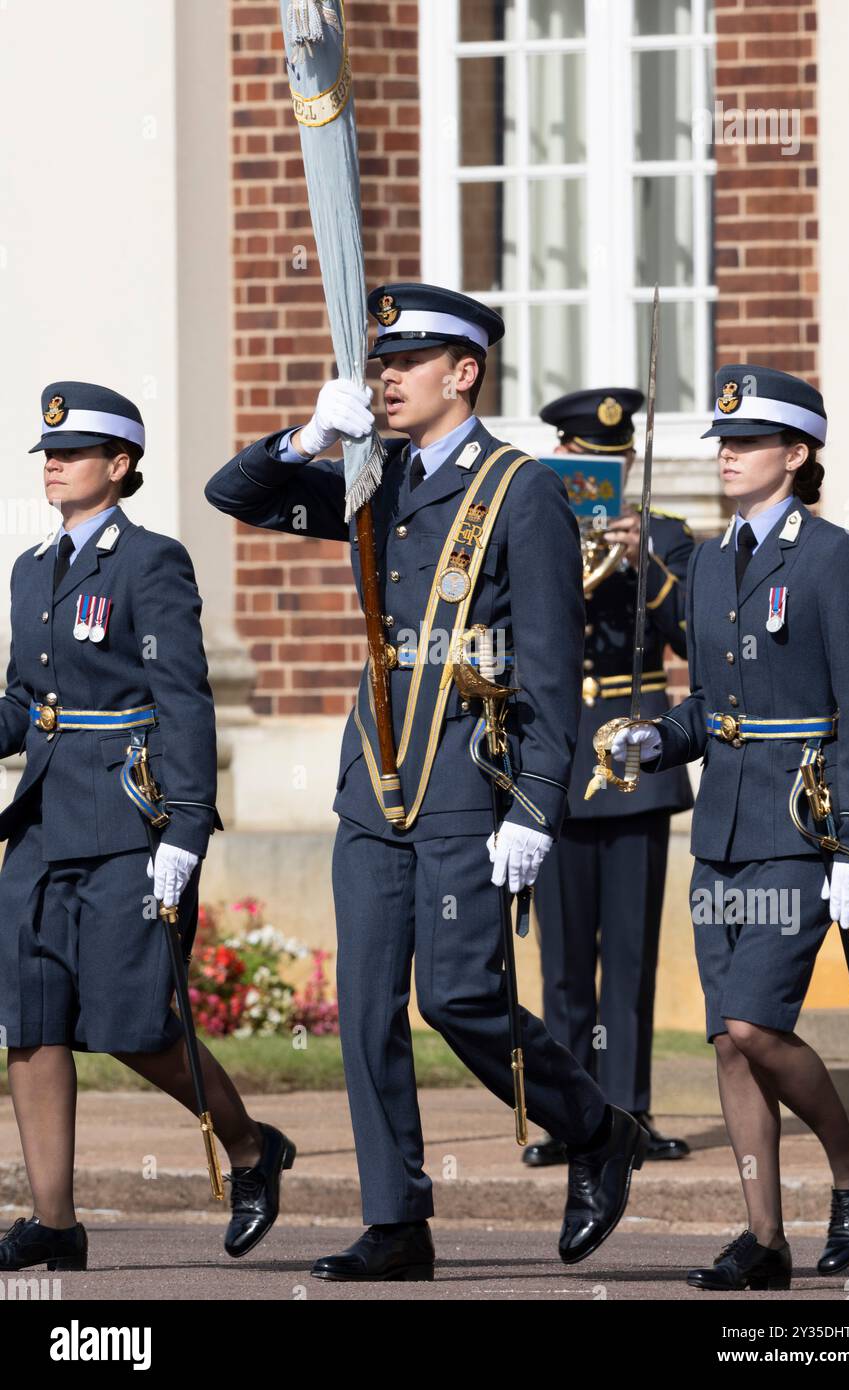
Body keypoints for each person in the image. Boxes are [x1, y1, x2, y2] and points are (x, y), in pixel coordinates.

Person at [205, 283, 649, 1281]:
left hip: (463, 773)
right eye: (380, 364)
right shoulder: (374, 473)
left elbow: (546, 658)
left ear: (463, 372)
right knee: (364, 1008)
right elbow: (232, 495)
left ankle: (592, 1127)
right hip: (373, 778)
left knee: (457, 997)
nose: (386, 379)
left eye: (407, 363)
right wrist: (308, 438)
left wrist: (537, 802)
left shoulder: (518, 489)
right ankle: (395, 1217)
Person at [614, 364, 849, 1290]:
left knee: (756, 1020)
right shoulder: (706, 559)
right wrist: (659, 738)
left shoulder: (831, 557)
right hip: (721, 829)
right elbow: (711, 706)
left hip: (797, 823)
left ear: (797, 454)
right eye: (722, 443)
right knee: (729, 1041)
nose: (727, 456)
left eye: (746, 443)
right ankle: (763, 1239)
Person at [0, 382, 294, 1273]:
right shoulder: (31, 567)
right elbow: (25, 703)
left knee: (133, 1024)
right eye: (48, 450)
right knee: (32, 1019)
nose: (54, 462)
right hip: (46, 819)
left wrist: (187, 829)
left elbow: (184, 704)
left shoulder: (151, 561)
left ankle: (251, 1147)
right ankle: (53, 1220)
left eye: (74, 451)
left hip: (131, 822)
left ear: (120, 465)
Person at [524, 388, 693, 1167]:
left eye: (614, 466)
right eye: (588, 467)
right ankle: (570, 1115)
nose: (606, 478)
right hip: (557, 756)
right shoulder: (534, 529)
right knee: (562, 960)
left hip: (632, 762)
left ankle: (630, 1111)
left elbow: (695, 629)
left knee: (628, 955)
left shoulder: (666, 538)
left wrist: (645, 568)